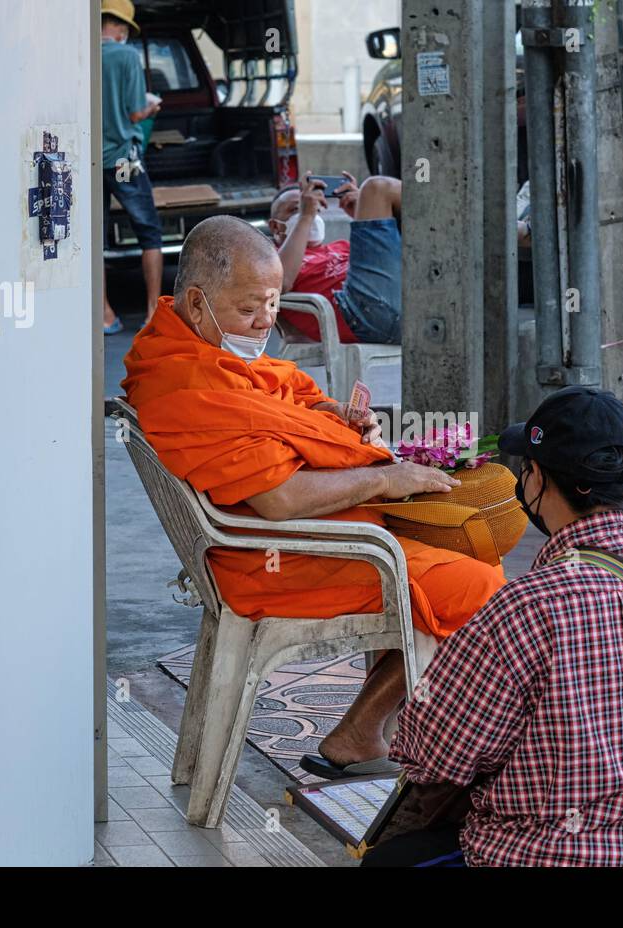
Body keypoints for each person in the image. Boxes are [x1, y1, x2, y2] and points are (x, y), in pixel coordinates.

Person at [121, 216, 505, 776]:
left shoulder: (191, 347)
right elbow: (279, 499)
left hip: (306, 537)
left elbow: (285, 397)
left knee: (471, 550)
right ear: (198, 303)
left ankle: (369, 729)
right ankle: (366, 731)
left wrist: (339, 421)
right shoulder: (184, 383)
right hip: (271, 555)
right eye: (249, 308)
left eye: (273, 305)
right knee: (484, 586)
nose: (264, 322)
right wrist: (381, 477)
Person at [364, 387, 623, 867]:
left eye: (525, 467)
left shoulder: (523, 607)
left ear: (538, 479)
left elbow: (436, 754)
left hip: (545, 854)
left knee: (388, 861)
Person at [270, 172, 403, 345]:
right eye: (296, 208)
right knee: (375, 188)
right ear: (274, 226)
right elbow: (280, 284)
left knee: (374, 197)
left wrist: (363, 211)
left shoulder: (339, 247)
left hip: (399, 298)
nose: (313, 213)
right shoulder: (271, 258)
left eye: (315, 208)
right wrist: (306, 216)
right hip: (363, 314)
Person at [100, 0, 163, 334]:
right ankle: (153, 311)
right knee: (149, 232)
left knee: (96, 238)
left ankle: (105, 314)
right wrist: (151, 106)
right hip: (123, 161)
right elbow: (136, 113)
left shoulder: (79, 54)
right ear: (122, 28)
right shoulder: (126, 56)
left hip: (92, 161)